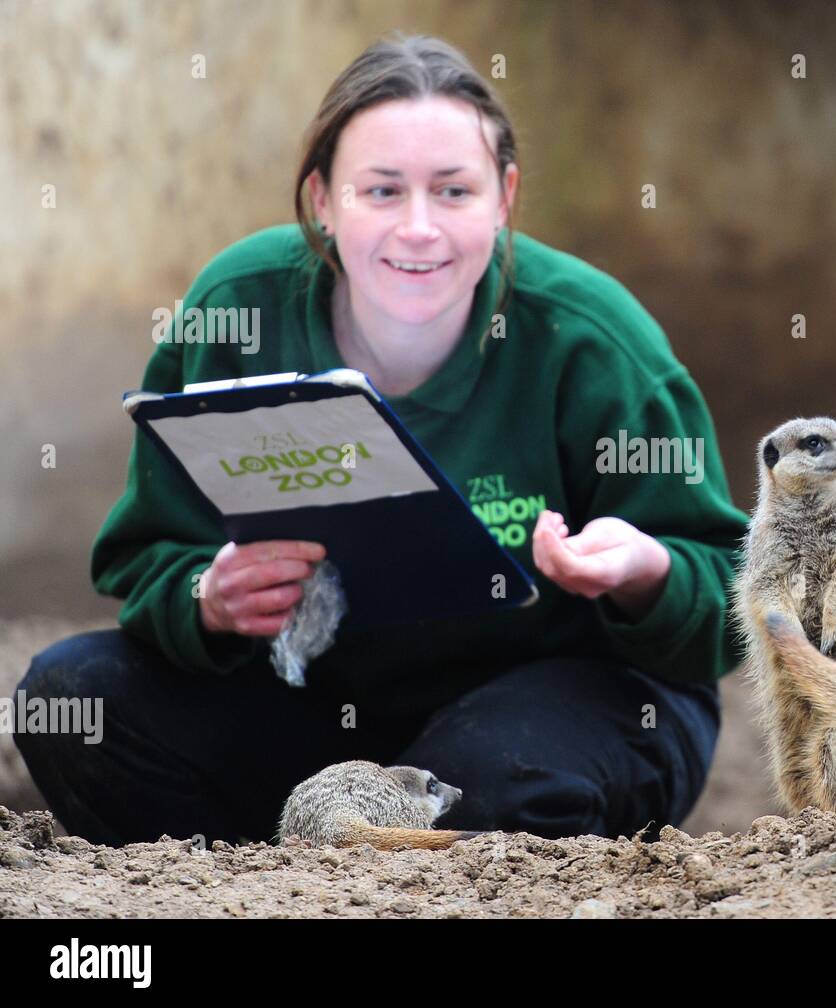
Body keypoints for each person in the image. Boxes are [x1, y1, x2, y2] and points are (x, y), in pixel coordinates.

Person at [15, 34, 748, 847]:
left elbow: (733, 597)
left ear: (505, 196)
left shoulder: (592, 339)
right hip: (317, 712)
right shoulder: (235, 308)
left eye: (454, 191)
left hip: (553, 701)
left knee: (497, 784)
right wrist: (208, 601)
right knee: (68, 696)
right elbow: (145, 557)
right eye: (383, 191)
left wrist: (643, 574)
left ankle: (402, 848)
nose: (420, 229)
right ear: (323, 198)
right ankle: (273, 876)